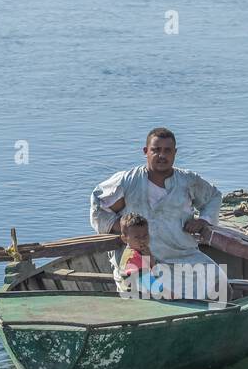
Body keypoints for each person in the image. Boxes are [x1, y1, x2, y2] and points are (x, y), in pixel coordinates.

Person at [90, 128, 227, 302]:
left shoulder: (187, 181)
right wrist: (122, 228)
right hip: (139, 260)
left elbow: (214, 197)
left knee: (219, 281)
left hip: (181, 255)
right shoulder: (127, 180)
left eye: (167, 150)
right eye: (156, 150)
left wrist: (203, 220)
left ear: (175, 153)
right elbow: (97, 201)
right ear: (146, 151)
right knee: (146, 292)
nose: (162, 155)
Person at [114, 212, 164, 298]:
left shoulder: (139, 253)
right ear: (124, 239)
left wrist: (149, 257)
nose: (142, 240)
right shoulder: (133, 258)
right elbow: (155, 288)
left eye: (145, 236)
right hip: (138, 300)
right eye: (136, 237)